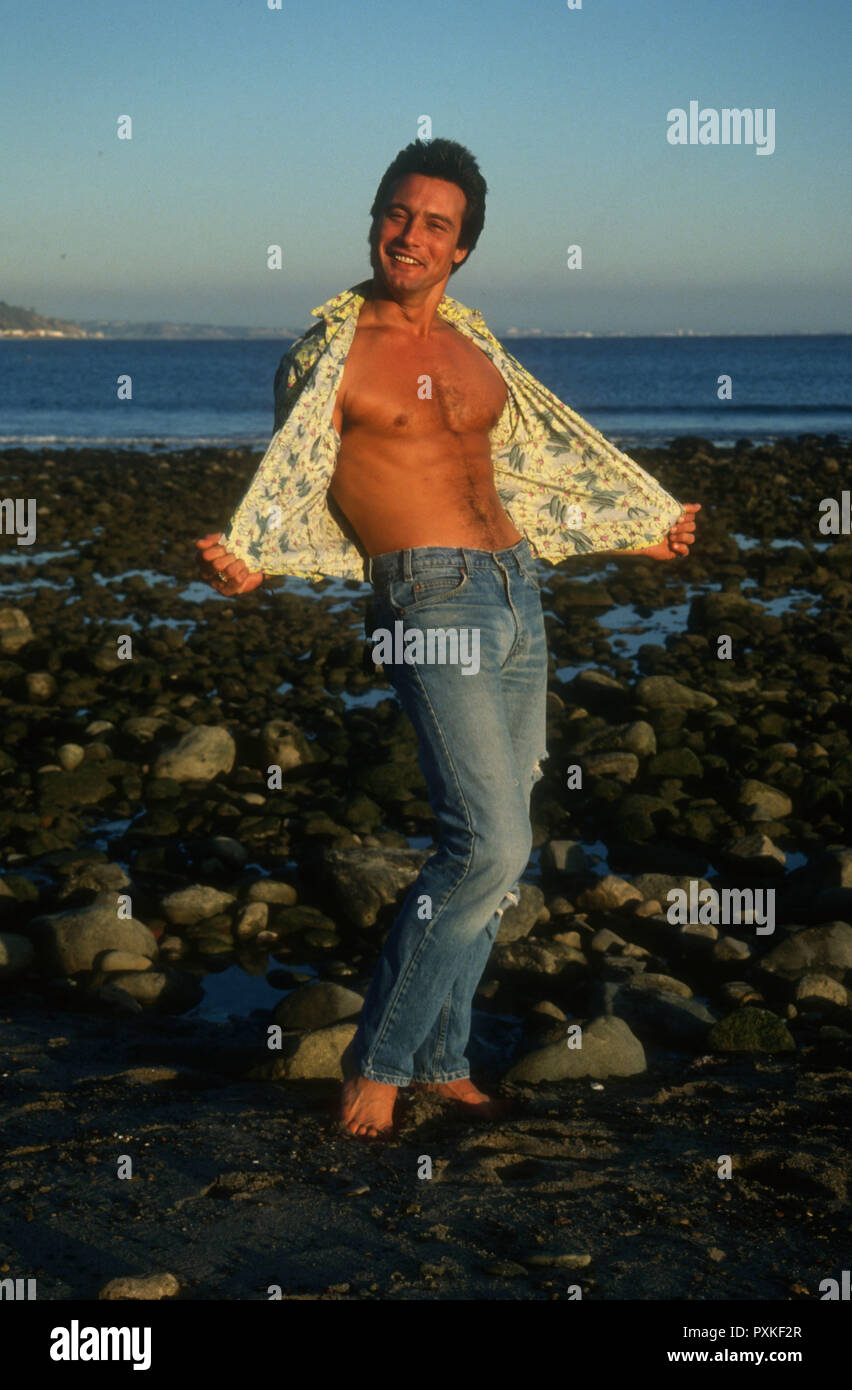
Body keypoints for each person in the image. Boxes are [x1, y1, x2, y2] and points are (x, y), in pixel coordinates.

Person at [195, 138, 700, 1140]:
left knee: (495, 858)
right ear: (373, 218)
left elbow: (535, 470)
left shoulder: (475, 347)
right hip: (428, 600)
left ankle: (442, 1058)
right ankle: (378, 1058)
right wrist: (252, 555)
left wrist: (630, 532)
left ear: (461, 249)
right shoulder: (328, 353)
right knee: (489, 841)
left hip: (517, 592)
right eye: (398, 213)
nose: (410, 235)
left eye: (436, 224)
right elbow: (294, 480)